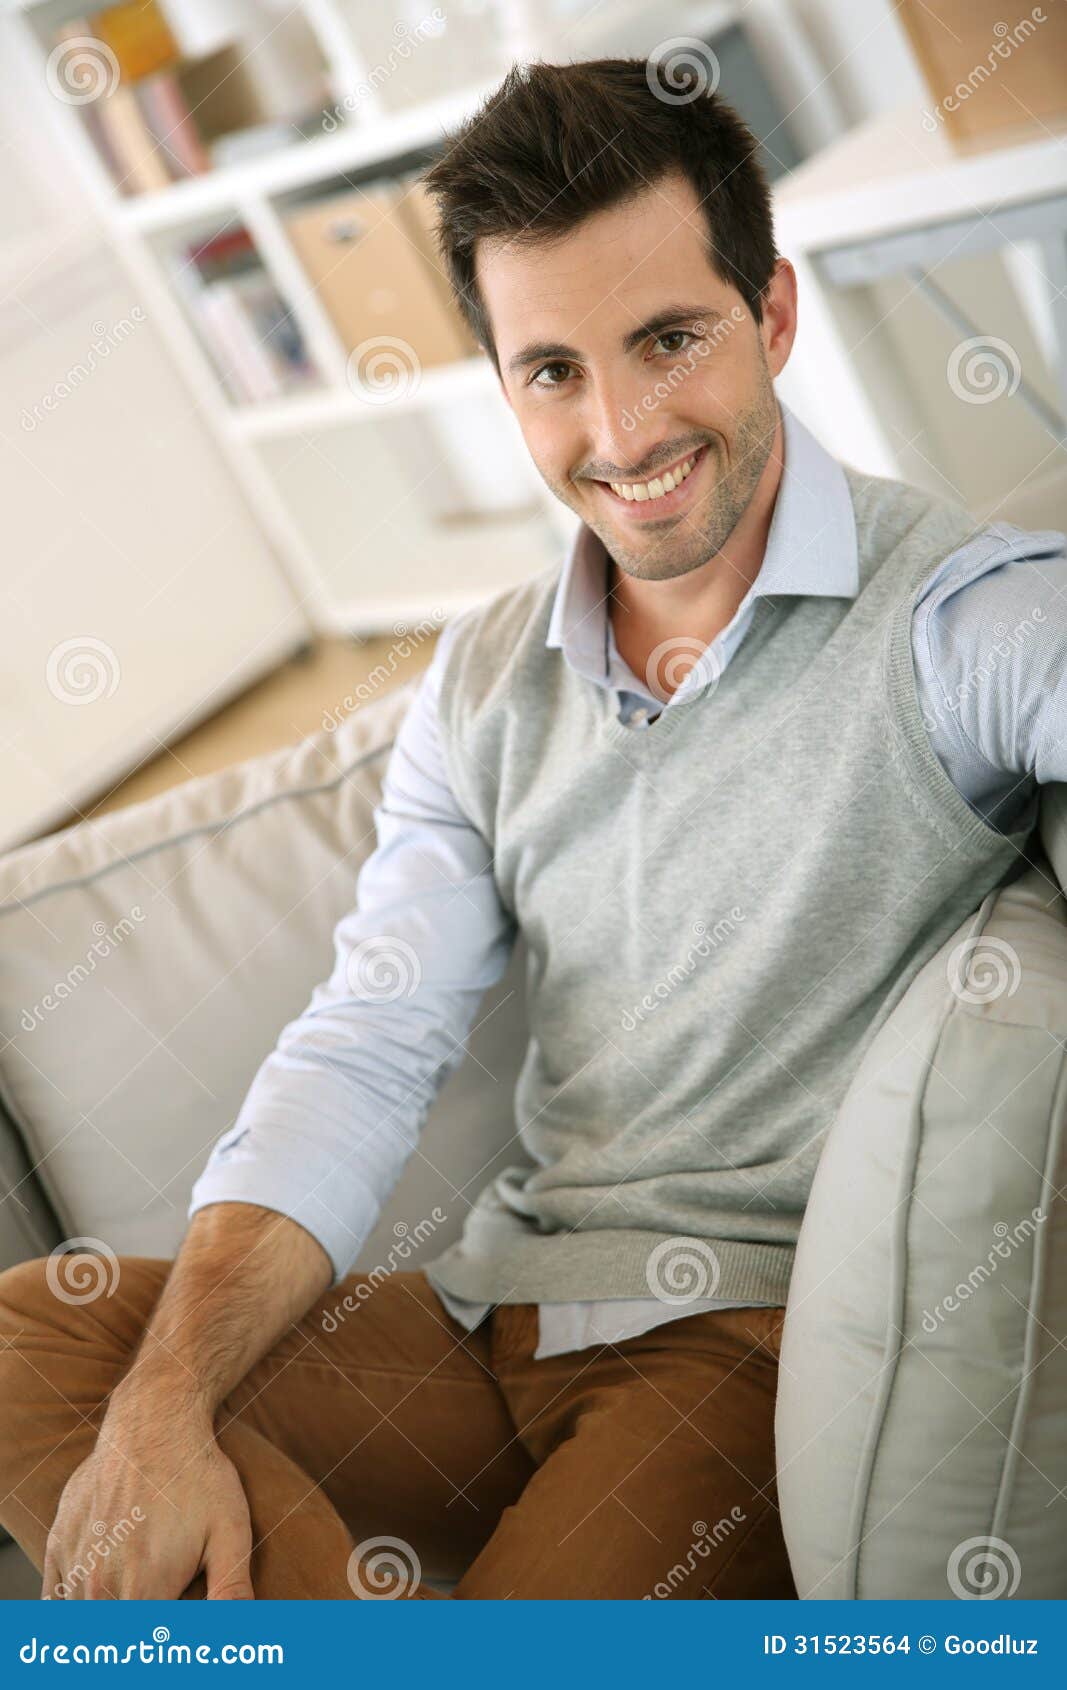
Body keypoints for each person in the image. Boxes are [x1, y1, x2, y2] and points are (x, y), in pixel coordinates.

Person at [1, 56, 1063, 1603]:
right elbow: (368, 1043)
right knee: (40, 1337)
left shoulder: (950, 617)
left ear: (770, 314)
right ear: (501, 381)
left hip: (726, 1358)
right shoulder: (481, 676)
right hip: (488, 1315)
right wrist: (166, 1405)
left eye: (669, 340)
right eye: (553, 369)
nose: (622, 429)